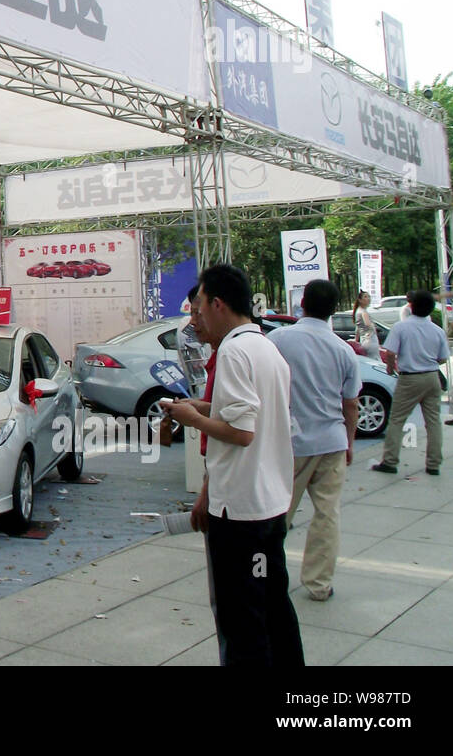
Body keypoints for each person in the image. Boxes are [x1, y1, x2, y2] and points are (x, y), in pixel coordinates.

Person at [162, 264, 304, 667]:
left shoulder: (235, 352)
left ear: (218, 304)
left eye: (200, 307)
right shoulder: (265, 347)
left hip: (241, 513)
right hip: (270, 503)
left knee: (242, 621)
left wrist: (193, 420)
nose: (197, 317)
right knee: (274, 607)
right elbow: (248, 413)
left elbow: (241, 432)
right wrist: (203, 407)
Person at [269, 279, 361, 602]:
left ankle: (265, 575)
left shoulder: (279, 339)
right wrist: (349, 442)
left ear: (302, 303)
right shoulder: (343, 350)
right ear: (334, 310)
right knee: (327, 514)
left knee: (278, 515)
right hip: (333, 440)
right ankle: (319, 583)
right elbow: (351, 403)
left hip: (292, 443)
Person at [372, 290, 450, 475]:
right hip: (432, 377)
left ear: (412, 306)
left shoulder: (401, 327)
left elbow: (390, 352)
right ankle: (433, 464)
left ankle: (390, 461)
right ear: (431, 309)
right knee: (433, 422)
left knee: (397, 419)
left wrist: (391, 368)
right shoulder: (437, 330)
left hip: (409, 378)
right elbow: (443, 358)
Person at [353, 291, 380, 359]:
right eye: (365, 297)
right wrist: (373, 329)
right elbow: (368, 324)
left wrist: (356, 339)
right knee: (376, 362)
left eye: (369, 296)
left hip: (363, 340)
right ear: (360, 300)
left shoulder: (357, 311)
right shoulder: (363, 312)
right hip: (370, 340)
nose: (368, 298)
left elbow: (357, 329)